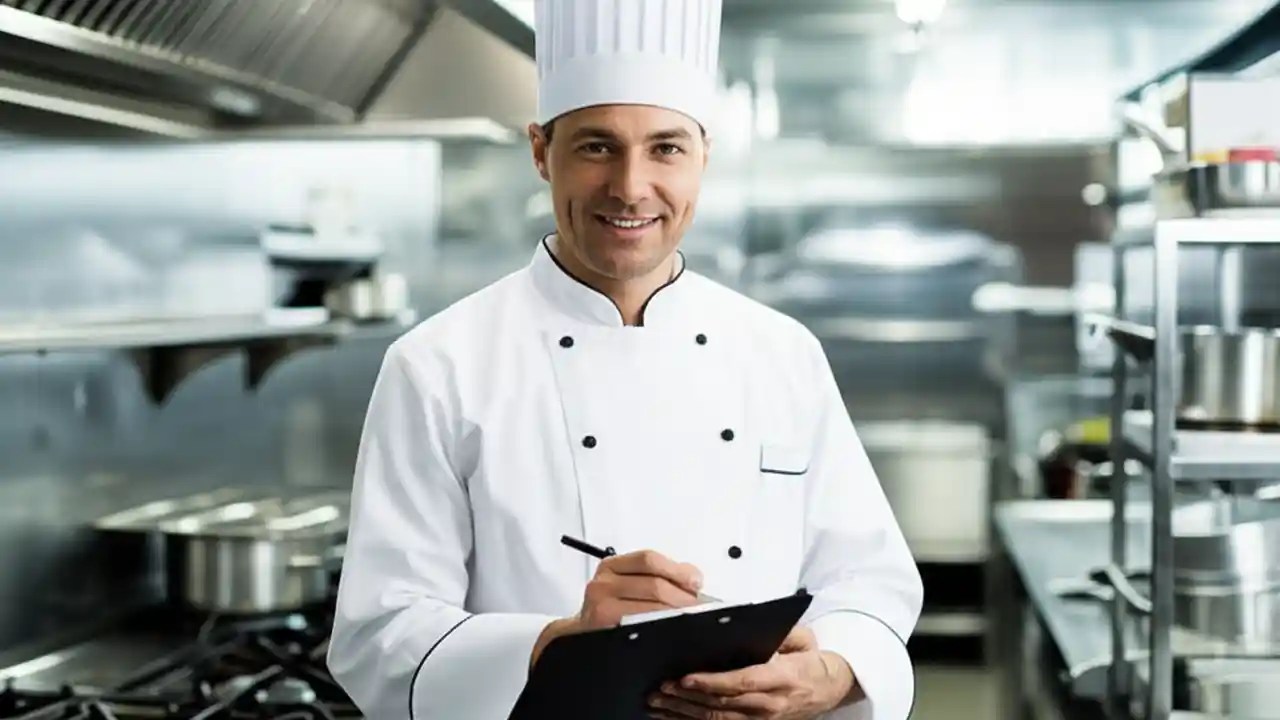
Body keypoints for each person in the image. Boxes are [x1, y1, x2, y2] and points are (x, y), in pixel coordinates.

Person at [327, 0, 923, 717]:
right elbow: (380, 633)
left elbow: (869, 579)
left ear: (704, 153)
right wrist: (558, 643)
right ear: (541, 150)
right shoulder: (438, 365)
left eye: (666, 147)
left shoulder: (783, 353)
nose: (631, 187)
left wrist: (834, 672)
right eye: (596, 146)